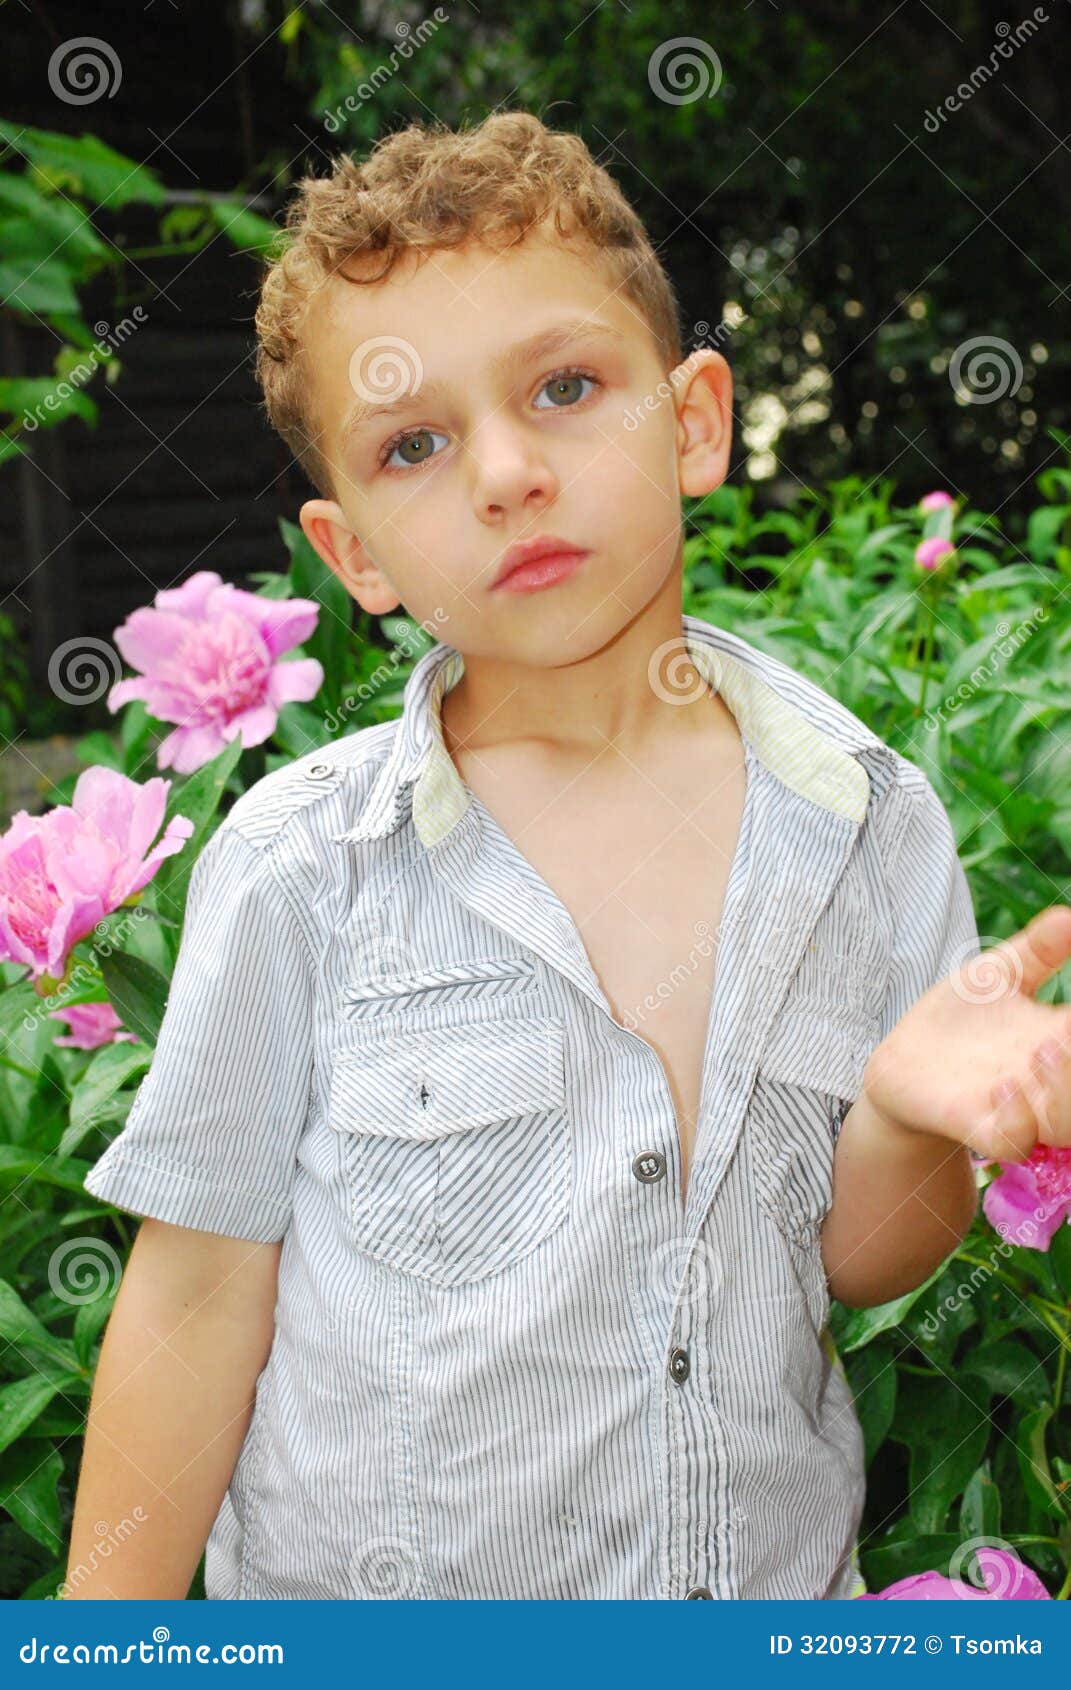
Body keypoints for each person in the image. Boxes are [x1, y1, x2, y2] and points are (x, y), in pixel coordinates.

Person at [70, 111, 1071, 1601]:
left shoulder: (868, 822)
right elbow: (199, 1288)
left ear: (694, 421)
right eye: (415, 442)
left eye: (563, 386)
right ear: (353, 560)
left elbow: (858, 1263)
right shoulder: (301, 868)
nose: (505, 472)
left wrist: (912, 1120)